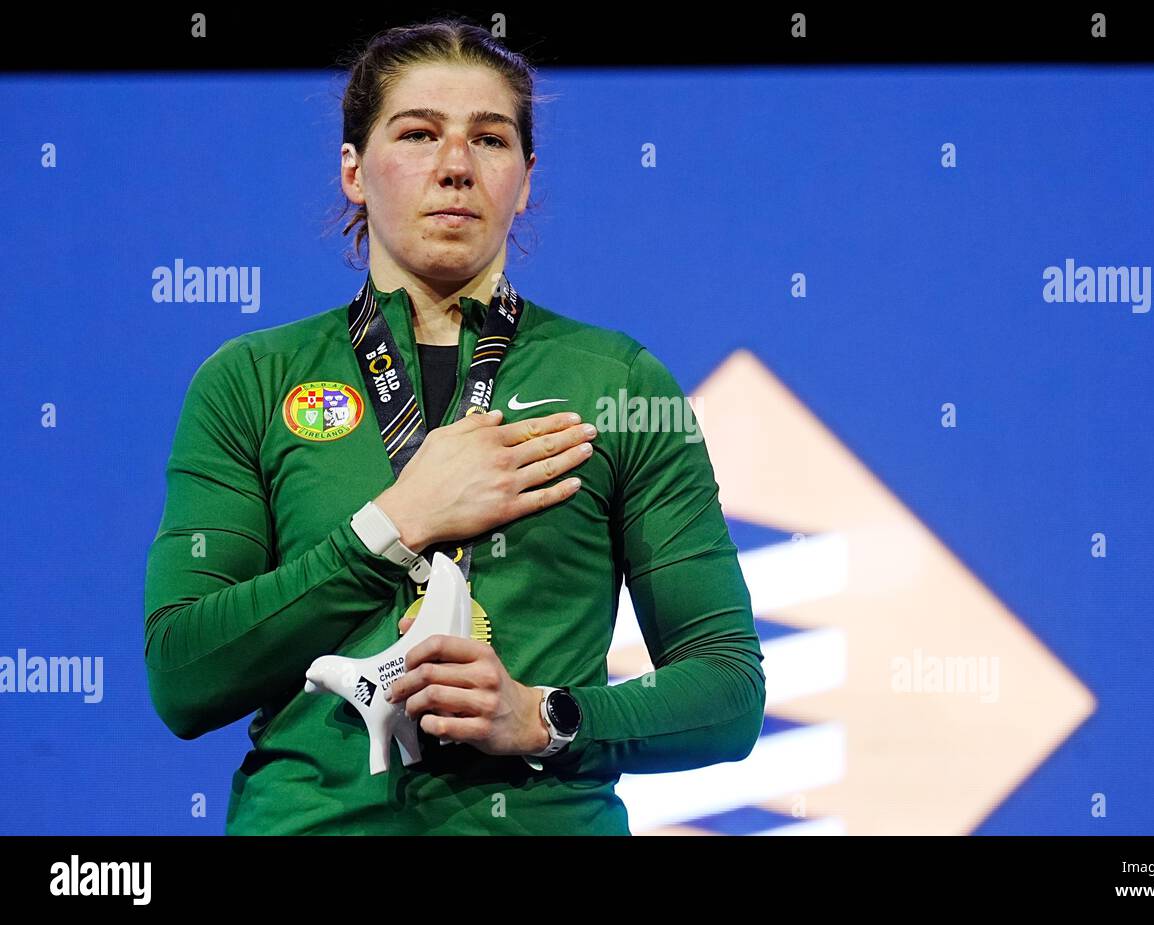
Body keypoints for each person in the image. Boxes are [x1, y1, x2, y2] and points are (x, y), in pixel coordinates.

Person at [143, 17, 766, 835]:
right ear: (354, 172)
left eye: (490, 139)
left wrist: (544, 716)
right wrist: (393, 526)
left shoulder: (616, 382)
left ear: (526, 177)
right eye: (418, 132)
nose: (455, 167)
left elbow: (728, 691)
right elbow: (183, 674)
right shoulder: (252, 379)